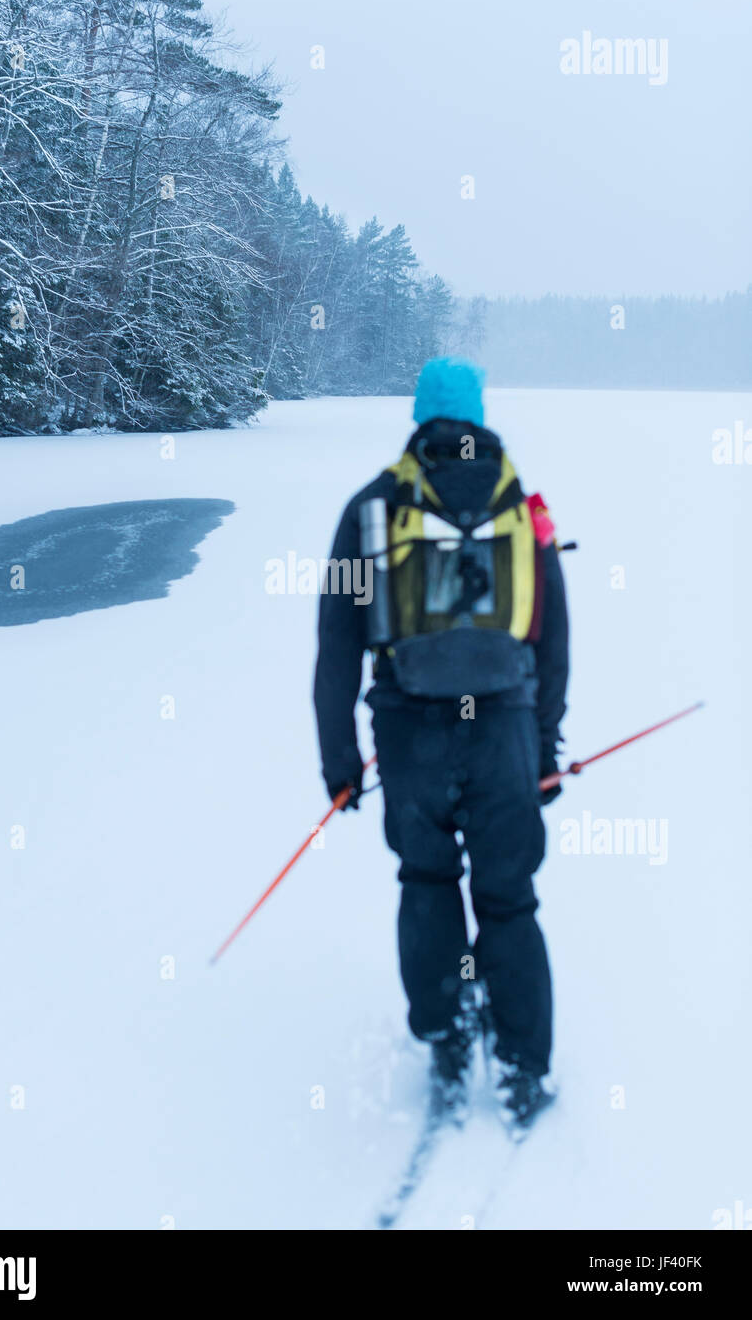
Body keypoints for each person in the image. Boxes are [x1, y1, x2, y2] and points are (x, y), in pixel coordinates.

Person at [313, 358, 570, 1136]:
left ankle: (447, 1036)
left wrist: (338, 763)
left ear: (419, 416)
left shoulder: (372, 508)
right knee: (508, 896)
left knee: (426, 881)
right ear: (479, 415)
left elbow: (336, 649)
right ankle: (523, 1070)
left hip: (408, 731)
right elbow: (552, 638)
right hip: (503, 730)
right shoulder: (523, 507)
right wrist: (545, 748)